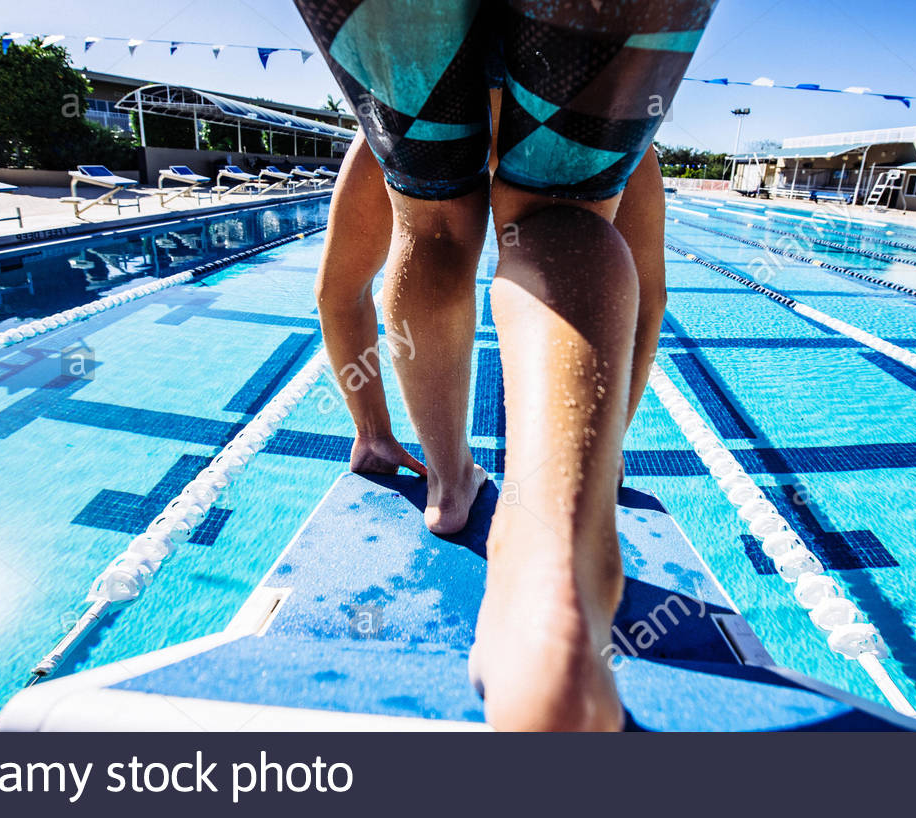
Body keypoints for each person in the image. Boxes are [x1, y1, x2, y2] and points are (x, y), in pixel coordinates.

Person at [294, 0, 713, 731]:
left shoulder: (375, 150)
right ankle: (557, 553)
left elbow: (338, 293)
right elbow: (647, 303)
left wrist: (371, 427)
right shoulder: (637, 160)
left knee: (428, 226)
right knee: (566, 215)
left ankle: (450, 485)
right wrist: (593, 454)